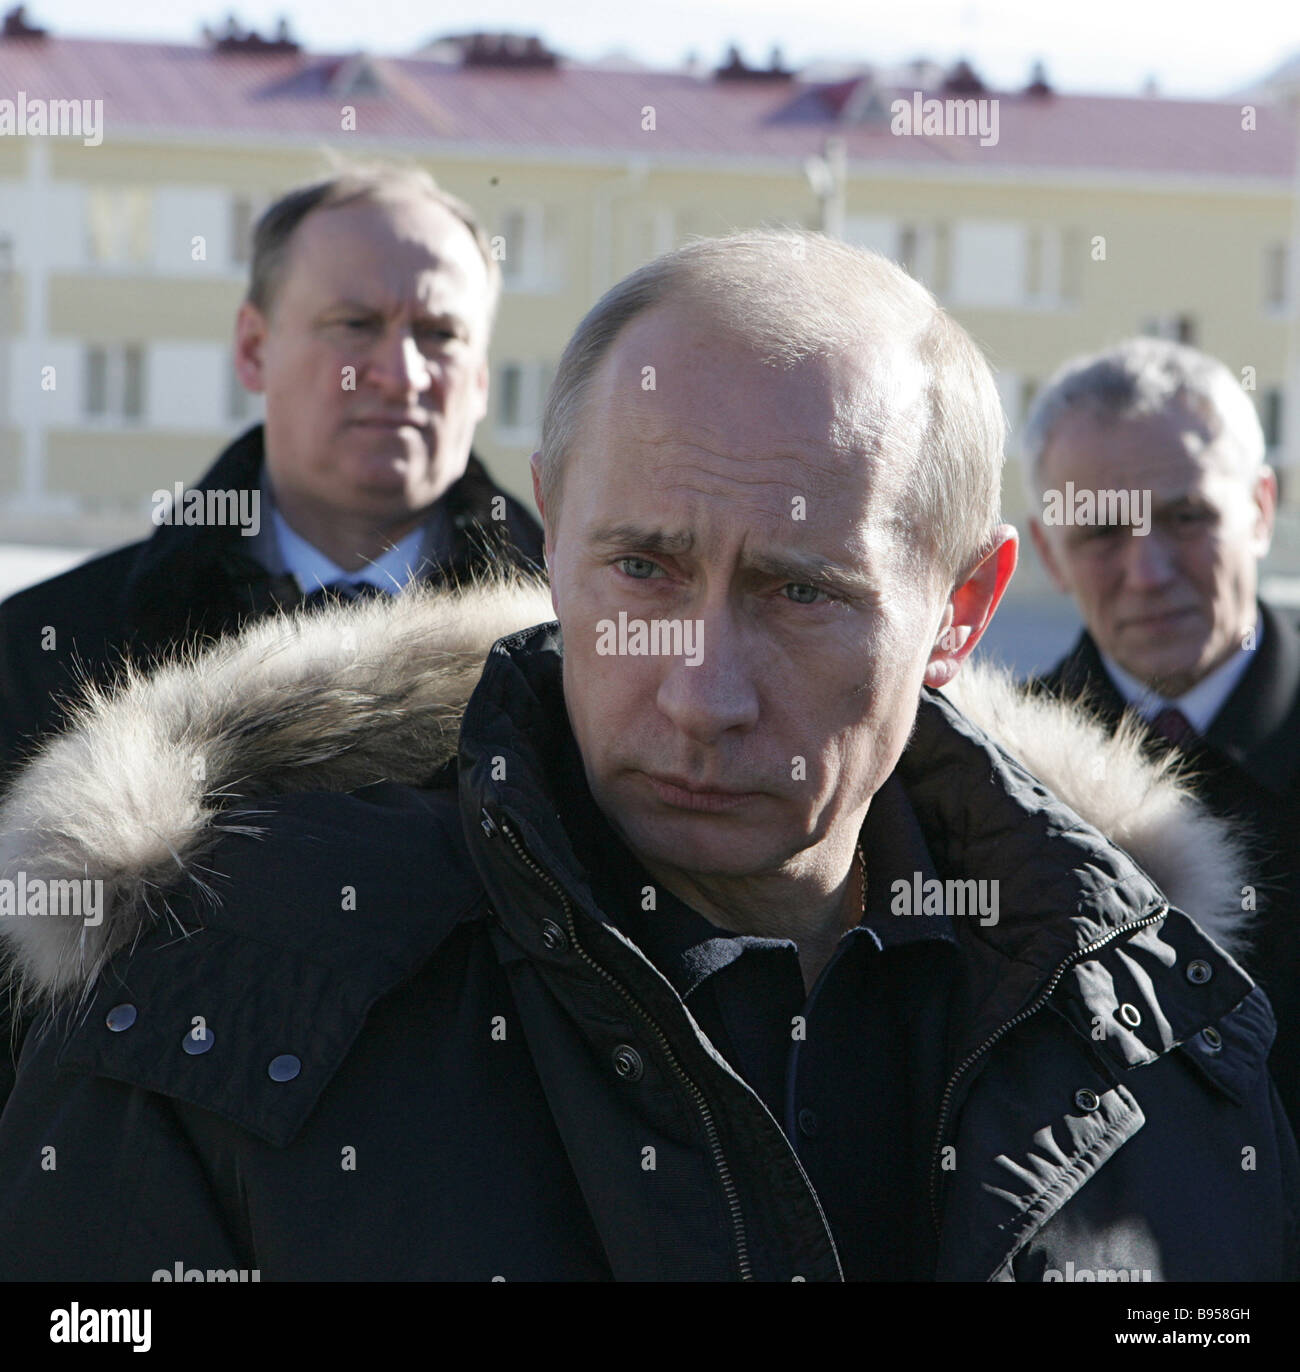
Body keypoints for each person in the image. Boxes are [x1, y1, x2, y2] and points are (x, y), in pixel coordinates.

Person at [0, 234, 1293, 1282]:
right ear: (550, 527)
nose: (704, 692)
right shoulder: (217, 1006)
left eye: (800, 593)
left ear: (964, 610)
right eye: (642, 569)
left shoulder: (1160, 1048)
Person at [0, 162, 543, 786]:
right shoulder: (49, 650)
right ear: (254, 349)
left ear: (479, 380)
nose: (402, 374)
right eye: (356, 324)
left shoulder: (571, 649)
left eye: (440, 334)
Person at [1023, 337, 1300, 1132]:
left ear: (1259, 510)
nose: (1148, 572)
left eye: (1186, 518)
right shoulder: (986, 782)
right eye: (1103, 531)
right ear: (1049, 550)